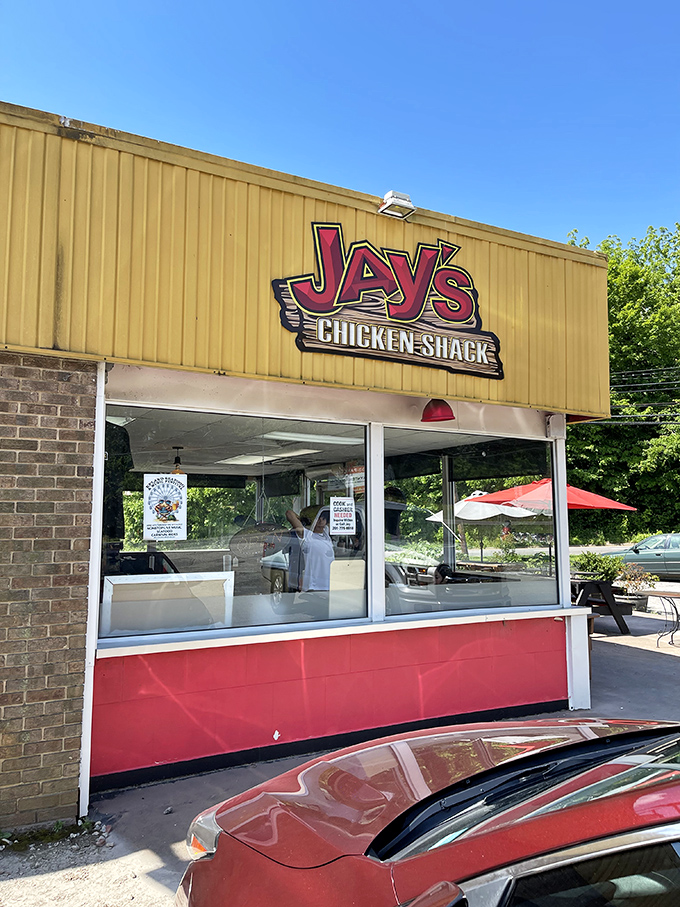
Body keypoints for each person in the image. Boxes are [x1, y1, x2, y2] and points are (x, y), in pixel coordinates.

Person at [285, 505, 334, 592]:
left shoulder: (326, 533)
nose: (320, 521)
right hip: (314, 586)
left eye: (323, 519)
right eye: (318, 518)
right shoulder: (306, 536)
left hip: (329, 585)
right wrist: (305, 519)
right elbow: (289, 514)